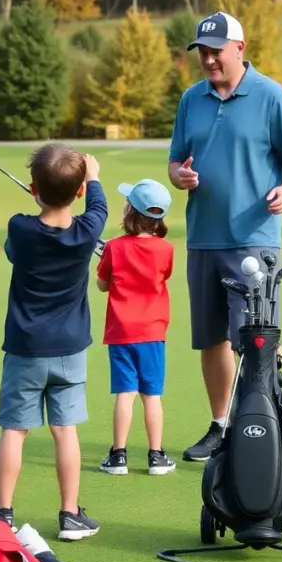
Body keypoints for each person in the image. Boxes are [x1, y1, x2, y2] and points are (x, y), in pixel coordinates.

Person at [168, 11, 282, 463]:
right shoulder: (192, 99)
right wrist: (181, 177)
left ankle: (269, 424)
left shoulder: (271, 96)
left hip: (254, 239)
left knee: (255, 338)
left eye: (217, 51)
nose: (210, 59)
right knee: (211, 340)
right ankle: (222, 426)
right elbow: (175, 163)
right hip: (204, 239)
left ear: (240, 48)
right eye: (203, 52)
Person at [0, 143, 108, 541]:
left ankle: (3, 513)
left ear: (33, 188)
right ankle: (70, 514)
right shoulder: (87, 232)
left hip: (25, 348)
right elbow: (98, 209)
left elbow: (13, 250)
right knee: (65, 430)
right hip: (70, 349)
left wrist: (36, 198)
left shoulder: (19, 227)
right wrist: (92, 179)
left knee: (14, 430)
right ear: (78, 191)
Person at [95, 178, 177, 476]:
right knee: (151, 395)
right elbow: (161, 275)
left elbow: (102, 284)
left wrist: (107, 260)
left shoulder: (114, 248)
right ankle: (156, 456)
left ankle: (118, 456)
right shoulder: (166, 249)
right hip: (153, 332)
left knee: (125, 393)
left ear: (130, 210)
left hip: (121, 332)